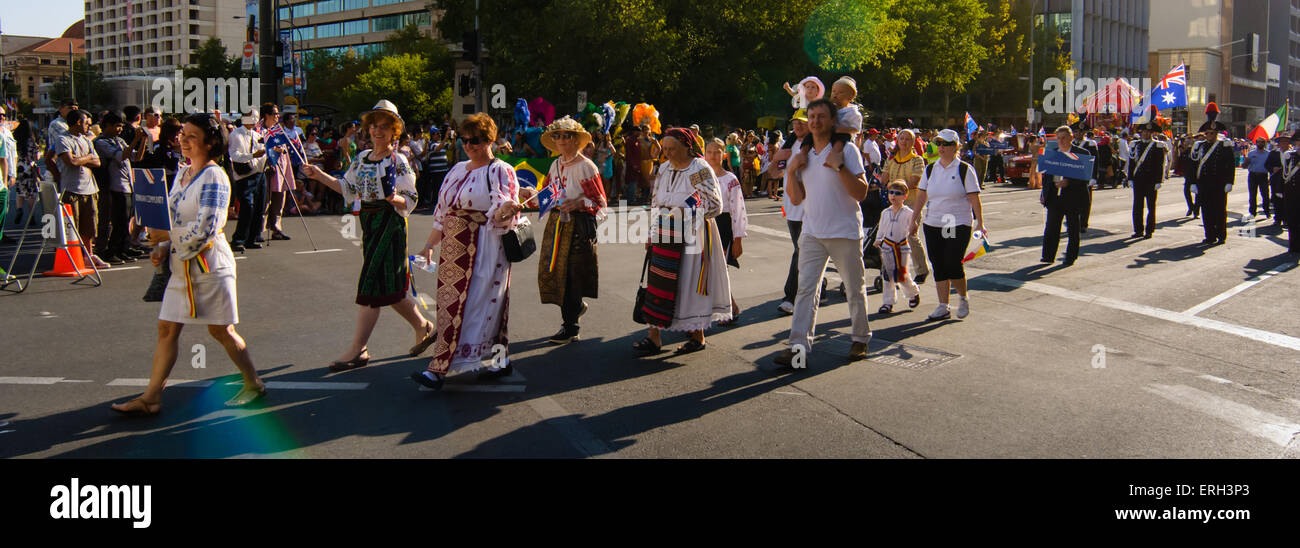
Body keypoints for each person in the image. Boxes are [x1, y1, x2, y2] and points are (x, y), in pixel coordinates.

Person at [110, 113, 266, 415]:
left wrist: (168, 237)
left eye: (191, 135)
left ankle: (253, 382)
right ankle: (151, 397)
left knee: (221, 331)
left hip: (211, 266)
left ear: (210, 142)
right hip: (182, 265)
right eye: (182, 134)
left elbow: (208, 226)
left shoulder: (215, 177)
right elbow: (172, 219)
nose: (183, 139)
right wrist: (163, 246)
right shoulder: (182, 175)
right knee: (167, 328)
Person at [299, 100, 431, 372]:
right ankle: (424, 326)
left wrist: (393, 197)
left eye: (384, 127)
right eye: (374, 126)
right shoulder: (361, 158)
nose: (377, 131)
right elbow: (346, 188)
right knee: (390, 290)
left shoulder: (399, 161)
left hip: (390, 224)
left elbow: (411, 198)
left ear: (394, 131)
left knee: (371, 286)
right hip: (370, 223)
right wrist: (319, 174)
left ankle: (358, 349)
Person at [409, 112, 525, 390]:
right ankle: (495, 363)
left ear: (490, 140)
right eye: (465, 139)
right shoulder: (458, 169)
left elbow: (503, 212)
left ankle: (442, 369)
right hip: (454, 248)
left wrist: (506, 211)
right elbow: (442, 214)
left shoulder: (500, 169)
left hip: (486, 248)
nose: (470, 145)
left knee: (484, 307)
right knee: (451, 306)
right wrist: (428, 246)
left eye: (476, 140)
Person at [773, 99, 871, 368]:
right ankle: (798, 348)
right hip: (812, 232)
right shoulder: (801, 154)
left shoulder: (847, 150)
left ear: (831, 121)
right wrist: (792, 171)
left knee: (854, 289)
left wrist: (839, 166)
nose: (815, 121)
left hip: (845, 233)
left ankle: (860, 338)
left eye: (821, 116)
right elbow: (795, 199)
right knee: (805, 291)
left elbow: (860, 192)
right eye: (811, 116)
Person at [633, 127, 731, 356]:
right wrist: (652, 232)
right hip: (665, 233)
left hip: (693, 234)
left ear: (686, 147)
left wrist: (684, 212)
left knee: (688, 285)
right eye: (664, 149)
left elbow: (714, 205)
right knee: (657, 282)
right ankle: (654, 337)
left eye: (672, 149)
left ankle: (697, 336)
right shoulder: (665, 168)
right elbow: (656, 201)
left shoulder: (697, 168)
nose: (667, 153)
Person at [536, 116, 607, 345]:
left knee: (572, 276)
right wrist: (531, 196)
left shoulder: (586, 167)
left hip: (578, 226)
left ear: (577, 140)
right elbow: (547, 196)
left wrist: (579, 203)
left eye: (567, 136)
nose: (561, 140)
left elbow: (601, 204)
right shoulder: (555, 165)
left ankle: (571, 327)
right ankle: (575, 309)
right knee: (556, 274)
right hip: (557, 226)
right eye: (557, 136)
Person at [911, 128, 985, 319]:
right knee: (938, 263)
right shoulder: (930, 168)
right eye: (938, 143)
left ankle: (962, 298)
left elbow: (974, 198)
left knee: (952, 262)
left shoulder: (964, 169)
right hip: (933, 221)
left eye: (945, 144)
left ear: (955, 147)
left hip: (954, 221)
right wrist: (914, 219)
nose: (941, 147)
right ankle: (943, 305)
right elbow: (921, 195)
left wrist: (980, 223)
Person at [52, 109, 107, 268]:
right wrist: (88, 157)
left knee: (89, 227)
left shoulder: (86, 140)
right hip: (71, 189)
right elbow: (70, 162)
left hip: (90, 189)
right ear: (78, 122)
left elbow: (97, 162)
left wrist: (84, 158)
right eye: (86, 123)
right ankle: (72, 256)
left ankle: (88, 255)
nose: (88, 127)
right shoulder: (63, 139)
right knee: (71, 227)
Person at [706, 138, 747, 324]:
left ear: (724, 154)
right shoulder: (699, 177)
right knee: (704, 270)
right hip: (703, 225)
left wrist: (738, 239)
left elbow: (738, 211)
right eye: (709, 151)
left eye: (717, 151)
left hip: (723, 226)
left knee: (720, 271)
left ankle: (730, 308)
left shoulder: (731, 179)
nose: (713, 155)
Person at [772, 109, 810, 315]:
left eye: (802, 122)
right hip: (791, 206)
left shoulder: (812, 144)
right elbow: (774, 171)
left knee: (801, 250)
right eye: (795, 122)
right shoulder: (789, 144)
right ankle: (817, 289)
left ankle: (791, 296)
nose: (798, 126)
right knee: (803, 250)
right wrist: (778, 159)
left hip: (810, 206)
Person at [882, 129, 930, 284]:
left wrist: (895, 189)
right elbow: (883, 178)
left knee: (910, 235)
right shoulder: (891, 159)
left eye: (907, 139)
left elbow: (914, 182)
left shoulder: (917, 160)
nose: (904, 141)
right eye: (901, 138)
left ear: (913, 141)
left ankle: (922, 270)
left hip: (911, 203)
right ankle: (893, 269)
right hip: (893, 203)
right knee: (890, 237)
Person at [1038, 125, 1090, 266]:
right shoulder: (1052, 153)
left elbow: (1086, 177)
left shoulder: (1081, 153)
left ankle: (1070, 257)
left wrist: (1069, 182)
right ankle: (1048, 256)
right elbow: (1046, 177)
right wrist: (1043, 194)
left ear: (1071, 138)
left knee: (1073, 229)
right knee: (1051, 228)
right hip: (1055, 197)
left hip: (1073, 196)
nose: (1061, 141)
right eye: (1059, 138)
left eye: (1064, 138)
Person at [90, 112, 137, 264]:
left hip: (127, 184)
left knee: (126, 220)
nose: (120, 129)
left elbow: (136, 156)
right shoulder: (101, 142)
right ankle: (110, 251)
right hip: (113, 186)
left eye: (121, 126)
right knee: (117, 221)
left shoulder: (119, 140)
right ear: (107, 125)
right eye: (117, 126)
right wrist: (136, 139)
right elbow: (121, 156)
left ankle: (123, 248)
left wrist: (142, 140)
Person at [1190, 103, 1235, 246]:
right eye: (1208, 133)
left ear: (1217, 134)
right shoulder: (1200, 146)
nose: (1210, 135)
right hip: (1204, 183)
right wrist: (1193, 182)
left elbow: (1230, 165)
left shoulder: (1224, 146)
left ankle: (1221, 235)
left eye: (1213, 133)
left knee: (1220, 211)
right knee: (1206, 211)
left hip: (1219, 183)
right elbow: (1193, 165)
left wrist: (1229, 182)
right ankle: (1209, 235)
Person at [874, 180, 921, 314]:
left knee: (901, 274)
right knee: (888, 275)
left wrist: (914, 228)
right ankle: (888, 302)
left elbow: (913, 228)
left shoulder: (908, 212)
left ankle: (913, 292)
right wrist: (878, 239)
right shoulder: (885, 212)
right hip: (887, 246)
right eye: (891, 192)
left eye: (898, 193)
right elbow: (881, 228)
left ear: (905, 196)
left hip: (902, 247)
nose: (893, 196)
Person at [227, 108, 267, 251]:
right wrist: (252, 156)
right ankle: (238, 239)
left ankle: (252, 238)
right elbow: (235, 156)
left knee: (259, 208)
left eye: (256, 117)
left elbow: (262, 153)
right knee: (247, 207)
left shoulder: (257, 135)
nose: (255, 120)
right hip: (244, 175)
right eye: (252, 117)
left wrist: (272, 152)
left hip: (259, 173)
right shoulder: (236, 135)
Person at [1125, 111, 1168, 239]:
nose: (1146, 134)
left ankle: (1149, 230)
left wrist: (1159, 181)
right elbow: (1131, 163)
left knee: (1151, 206)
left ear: (1152, 133)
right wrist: (1130, 178)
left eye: (1149, 132)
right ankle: (1138, 230)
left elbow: (1160, 164)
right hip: (1138, 180)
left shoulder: (1157, 146)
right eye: (1144, 131)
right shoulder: (1135, 145)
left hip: (1151, 180)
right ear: (1141, 132)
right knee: (1137, 206)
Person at [264, 106, 304, 241]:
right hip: (269, 168)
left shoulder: (279, 129)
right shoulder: (262, 130)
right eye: (275, 114)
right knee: (266, 200)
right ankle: (258, 230)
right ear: (267, 115)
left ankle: (276, 228)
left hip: (282, 165)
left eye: (278, 114)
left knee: (279, 198)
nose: (277, 117)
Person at [1279, 131, 1300, 253]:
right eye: (1298, 141)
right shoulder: (1290, 156)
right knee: (1292, 220)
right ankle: (1293, 245)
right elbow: (1285, 176)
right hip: (1292, 193)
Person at [1246, 137, 1273, 219]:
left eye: (1262, 142)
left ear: (1264, 143)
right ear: (1256, 143)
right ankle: (1253, 212)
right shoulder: (1251, 153)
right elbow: (1245, 165)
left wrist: (1270, 178)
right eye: (1258, 142)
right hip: (1253, 175)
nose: (1260, 143)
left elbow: (1270, 166)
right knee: (1253, 195)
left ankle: (1267, 211)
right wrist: (1245, 162)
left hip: (1263, 176)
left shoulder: (1268, 154)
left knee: (1265, 195)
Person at [1268, 133, 1290, 228]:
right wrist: (1273, 168)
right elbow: (1267, 165)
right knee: (1277, 200)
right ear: (1279, 144)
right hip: (1276, 181)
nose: (1284, 144)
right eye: (1282, 142)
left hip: (1288, 181)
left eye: (1286, 142)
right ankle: (1277, 219)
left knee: (1287, 201)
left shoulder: (1293, 153)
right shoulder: (1273, 153)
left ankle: (1286, 219)